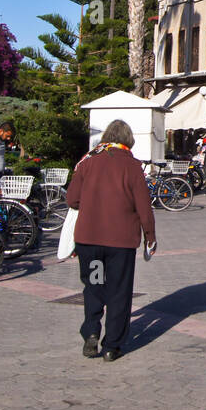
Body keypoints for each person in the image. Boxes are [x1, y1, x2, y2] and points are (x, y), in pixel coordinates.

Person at [66, 119, 157, 362]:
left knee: (94, 286)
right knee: (119, 291)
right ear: (128, 140)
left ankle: (92, 331)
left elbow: (72, 199)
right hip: (120, 243)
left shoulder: (88, 162)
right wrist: (150, 235)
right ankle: (112, 346)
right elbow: (143, 207)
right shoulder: (132, 166)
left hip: (90, 240)